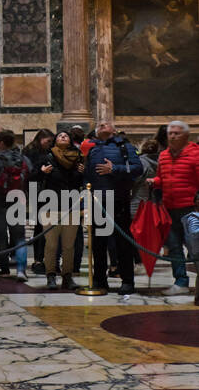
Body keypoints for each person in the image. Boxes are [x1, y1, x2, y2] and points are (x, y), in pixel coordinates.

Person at [84, 120, 142, 299]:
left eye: (106, 124)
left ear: (114, 130)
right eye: (99, 124)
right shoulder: (93, 149)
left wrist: (114, 168)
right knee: (98, 244)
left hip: (118, 199)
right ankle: (100, 280)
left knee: (122, 243)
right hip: (98, 201)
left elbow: (137, 168)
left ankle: (127, 281)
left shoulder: (126, 147)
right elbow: (88, 176)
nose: (102, 125)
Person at [152, 120, 199, 296]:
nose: (172, 136)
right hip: (169, 208)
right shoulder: (163, 155)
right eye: (170, 133)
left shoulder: (195, 154)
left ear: (186, 136)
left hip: (190, 209)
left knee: (195, 248)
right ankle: (180, 282)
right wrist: (153, 183)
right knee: (174, 247)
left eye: (176, 133)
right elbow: (161, 179)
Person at [37, 130, 84, 290]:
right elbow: (33, 176)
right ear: (55, 141)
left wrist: (80, 173)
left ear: (70, 140)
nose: (63, 137)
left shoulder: (78, 157)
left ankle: (67, 276)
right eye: (60, 136)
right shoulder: (47, 156)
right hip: (51, 206)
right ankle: (51, 275)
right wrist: (41, 172)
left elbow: (78, 181)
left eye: (66, 136)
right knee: (51, 244)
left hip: (71, 206)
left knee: (69, 245)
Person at [0, 128, 31, 281]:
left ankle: (4, 269)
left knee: (1, 236)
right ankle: (21, 270)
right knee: (19, 237)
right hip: (18, 200)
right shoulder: (24, 159)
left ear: (1, 143)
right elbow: (31, 177)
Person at [24, 128, 57, 274]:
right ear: (40, 139)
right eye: (48, 141)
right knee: (40, 226)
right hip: (37, 191)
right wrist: (41, 172)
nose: (49, 144)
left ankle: (50, 259)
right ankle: (38, 259)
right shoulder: (30, 152)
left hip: (49, 191)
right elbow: (28, 174)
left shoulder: (50, 151)